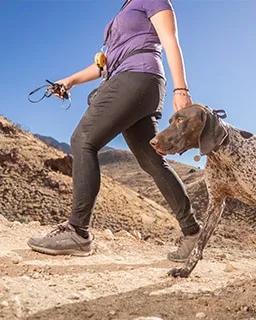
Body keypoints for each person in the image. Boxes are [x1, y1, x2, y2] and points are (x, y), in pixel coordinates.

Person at [27, 0, 201, 262]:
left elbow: (169, 40)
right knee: (151, 160)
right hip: (130, 80)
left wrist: (181, 89)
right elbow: (104, 65)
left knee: (83, 139)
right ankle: (192, 233)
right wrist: (70, 81)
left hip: (138, 78)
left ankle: (77, 232)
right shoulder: (124, 10)